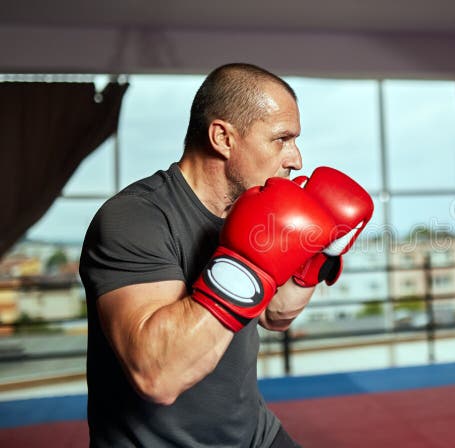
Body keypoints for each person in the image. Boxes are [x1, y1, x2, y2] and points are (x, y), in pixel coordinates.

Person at [79, 63, 372, 447]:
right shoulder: (135, 218)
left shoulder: (250, 210)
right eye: (281, 139)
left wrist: (316, 260)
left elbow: (274, 314)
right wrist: (245, 265)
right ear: (223, 137)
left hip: (254, 434)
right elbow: (158, 376)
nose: (296, 159)